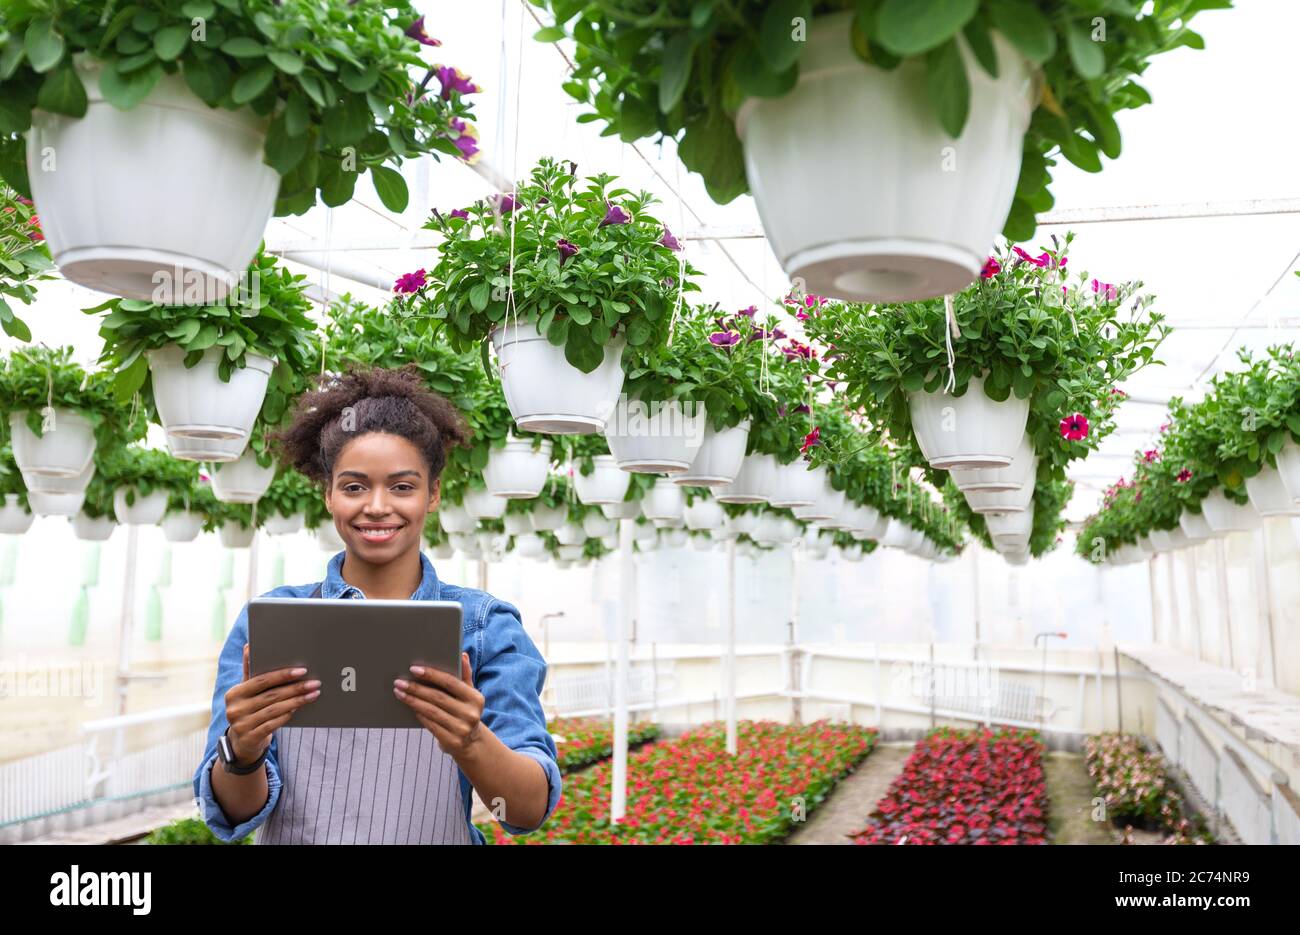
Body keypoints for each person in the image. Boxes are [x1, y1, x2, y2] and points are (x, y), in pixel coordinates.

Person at [191, 366, 561, 844]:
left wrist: (471, 742)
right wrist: (242, 750)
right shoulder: (272, 622)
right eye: (354, 486)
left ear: (433, 494)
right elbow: (233, 813)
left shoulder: (483, 627)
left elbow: (526, 810)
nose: (377, 506)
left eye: (403, 486)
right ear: (328, 495)